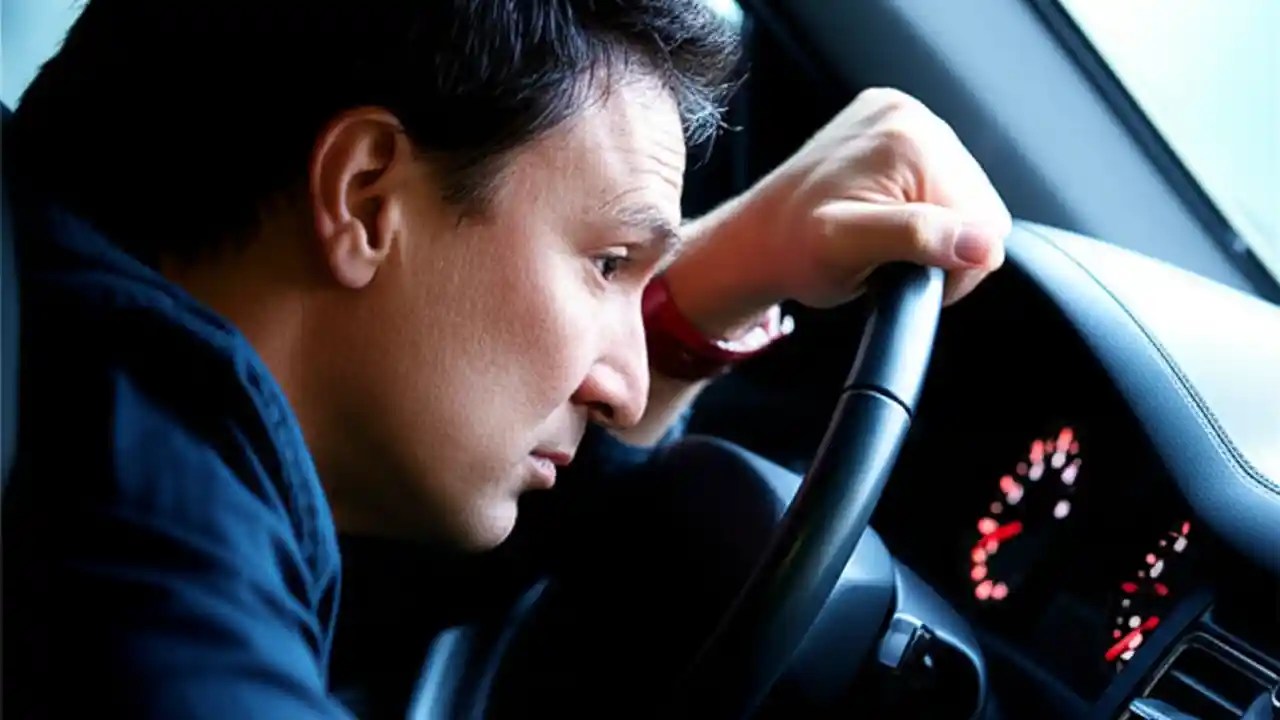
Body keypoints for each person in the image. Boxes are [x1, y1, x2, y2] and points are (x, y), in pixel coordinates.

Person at [1, 0, 1011, 716]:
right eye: (607, 263)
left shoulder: (77, 370)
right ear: (363, 198)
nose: (619, 390)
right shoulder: (136, 544)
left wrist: (721, 275)